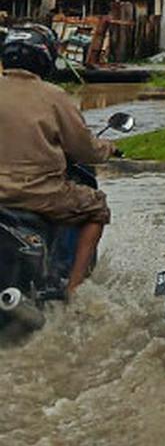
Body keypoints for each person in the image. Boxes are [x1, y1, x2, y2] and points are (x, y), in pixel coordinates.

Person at [0, 38, 115, 296]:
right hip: (38, 194)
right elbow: (83, 147)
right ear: (45, 61)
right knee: (97, 208)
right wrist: (108, 148)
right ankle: (74, 290)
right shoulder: (53, 96)